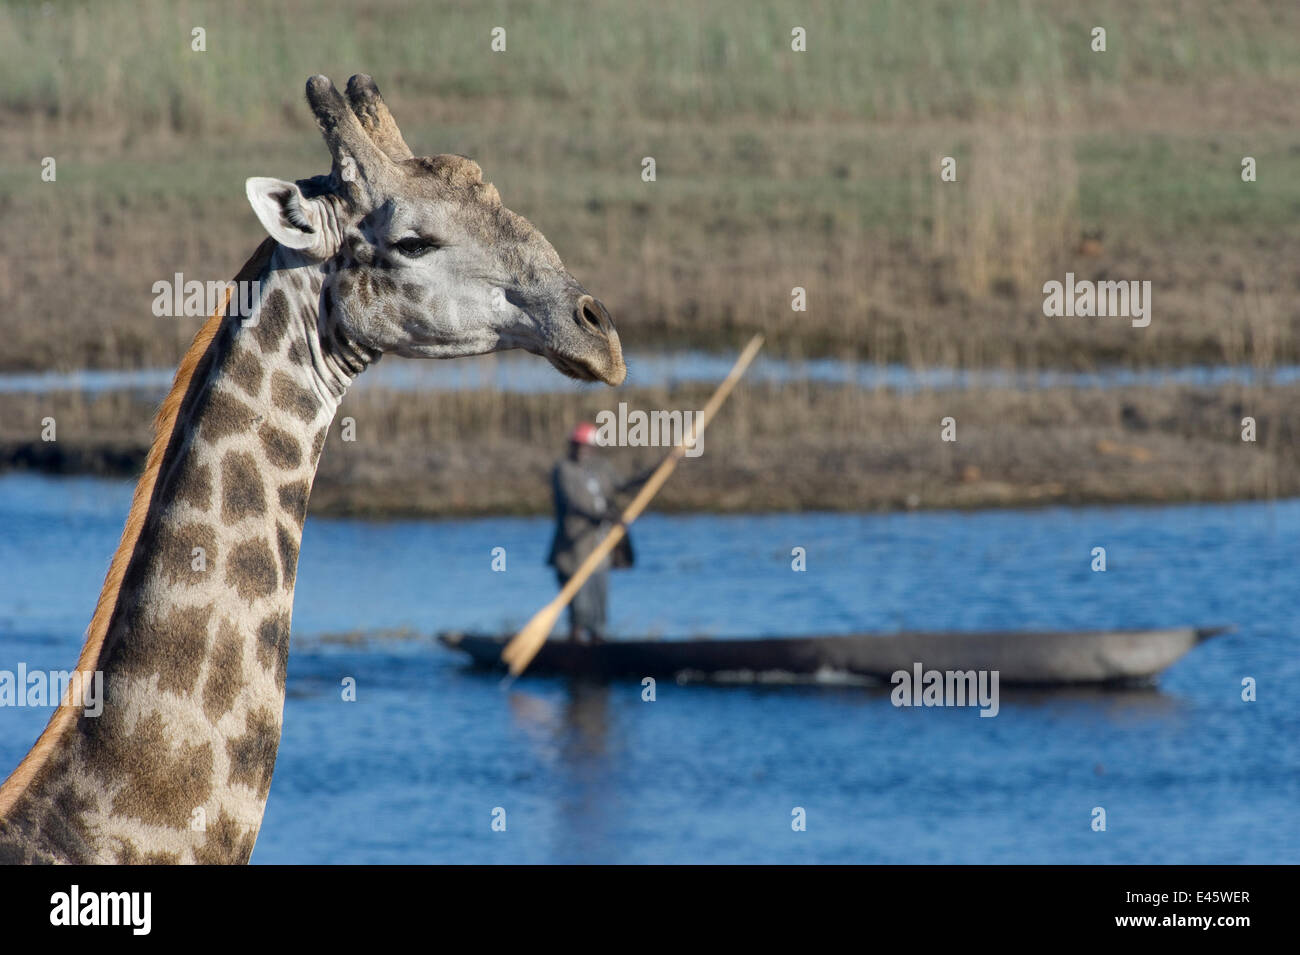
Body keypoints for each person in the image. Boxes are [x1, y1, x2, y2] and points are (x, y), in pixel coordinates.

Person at [546, 422, 651, 642]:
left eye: (585, 446)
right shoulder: (563, 469)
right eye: (577, 445)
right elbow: (572, 503)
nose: (581, 450)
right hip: (572, 550)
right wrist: (603, 517)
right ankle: (574, 647)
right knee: (580, 609)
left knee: (599, 609)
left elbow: (622, 486)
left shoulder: (602, 467)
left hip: (599, 548)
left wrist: (653, 473)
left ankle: (598, 645)